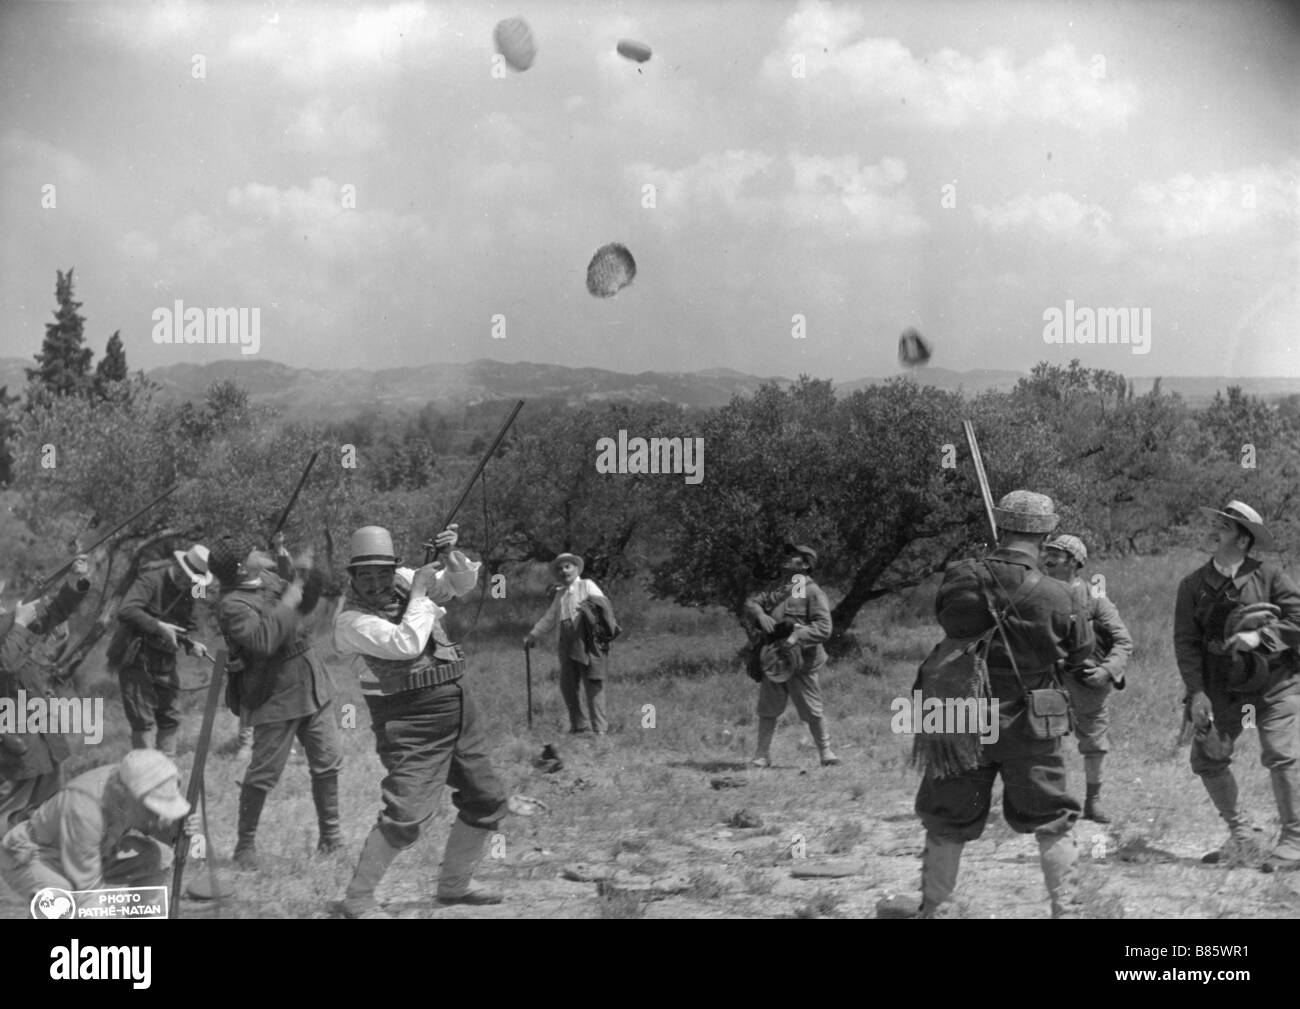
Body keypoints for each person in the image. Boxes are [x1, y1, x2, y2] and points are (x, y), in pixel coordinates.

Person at [912, 491, 1092, 919]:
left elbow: (947, 620)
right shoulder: (1059, 594)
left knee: (945, 815)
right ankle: (1066, 911)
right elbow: (1082, 655)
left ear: (1000, 526)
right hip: (1026, 717)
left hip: (957, 711)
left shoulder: (959, 576)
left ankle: (932, 909)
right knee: (1051, 813)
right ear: (1047, 534)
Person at [334, 525, 509, 918]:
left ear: (393, 566)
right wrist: (419, 593)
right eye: (366, 574)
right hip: (407, 718)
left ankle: (455, 885)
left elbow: (460, 585)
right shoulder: (349, 622)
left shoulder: (408, 579)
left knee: (486, 798)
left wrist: (448, 556)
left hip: (457, 702)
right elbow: (406, 644)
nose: (377, 582)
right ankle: (357, 898)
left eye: (383, 571)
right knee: (406, 813)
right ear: (353, 576)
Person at [1173, 500, 1300, 872]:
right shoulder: (1192, 584)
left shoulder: (1270, 576)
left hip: (1275, 682)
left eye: (1223, 527)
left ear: (1244, 541)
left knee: (1281, 754)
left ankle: (1294, 840)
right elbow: (1186, 643)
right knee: (1207, 757)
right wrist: (1196, 691)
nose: (1214, 531)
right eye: (1214, 523)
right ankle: (1241, 835)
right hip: (1222, 689)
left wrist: (1260, 636)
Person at [209, 533, 342, 868]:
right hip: (273, 691)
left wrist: (305, 575)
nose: (258, 549)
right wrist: (290, 595)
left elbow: (306, 605)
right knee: (264, 772)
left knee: (327, 760)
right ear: (241, 566)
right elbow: (263, 640)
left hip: (310, 680)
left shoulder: (267, 577)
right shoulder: (232, 604)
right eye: (250, 550)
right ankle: (245, 847)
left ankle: (332, 839)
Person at [0, 749, 194, 902]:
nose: (156, 812)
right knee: (59, 900)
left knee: (158, 857)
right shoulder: (84, 807)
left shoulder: (136, 786)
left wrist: (179, 830)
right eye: (152, 805)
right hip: (36, 855)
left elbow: (156, 825)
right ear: (129, 794)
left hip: (95, 850)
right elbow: (88, 891)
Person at [1042, 534, 1134, 823]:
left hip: (1087, 681)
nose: (1047, 559)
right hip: (1048, 680)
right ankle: (1049, 800)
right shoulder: (1037, 592)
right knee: (1045, 738)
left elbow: (1123, 641)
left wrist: (1106, 671)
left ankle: (1092, 802)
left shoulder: (1094, 597)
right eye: (1047, 553)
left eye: (1055, 555)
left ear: (1074, 562)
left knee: (1094, 743)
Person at [0, 556, 94, 830]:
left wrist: (76, 580)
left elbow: (54, 613)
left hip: (38, 727)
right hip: (12, 733)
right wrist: (19, 624)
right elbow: (6, 664)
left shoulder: (8, 620)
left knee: (49, 804)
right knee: (12, 805)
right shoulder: (13, 622)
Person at [109, 544, 212, 756]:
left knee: (171, 715)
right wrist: (158, 626)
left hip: (165, 660)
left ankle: (167, 769)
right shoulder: (150, 580)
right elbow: (126, 610)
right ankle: (146, 772)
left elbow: (190, 625)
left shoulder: (194, 588)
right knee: (142, 718)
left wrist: (191, 644)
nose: (193, 583)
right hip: (138, 657)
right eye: (190, 577)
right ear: (180, 567)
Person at [744, 543, 838, 768]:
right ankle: (762, 755)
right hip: (775, 658)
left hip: (801, 661)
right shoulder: (778, 588)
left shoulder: (813, 592)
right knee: (768, 708)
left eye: (794, 556)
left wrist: (797, 637)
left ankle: (826, 752)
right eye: (786, 554)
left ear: (805, 565)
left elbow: (824, 628)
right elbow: (751, 602)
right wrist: (759, 614)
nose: (787, 558)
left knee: (812, 710)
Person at [523, 553, 619, 736]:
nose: (563, 571)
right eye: (559, 569)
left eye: (567, 567)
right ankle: (579, 726)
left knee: (593, 684)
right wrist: (532, 635)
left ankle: (600, 731)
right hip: (565, 643)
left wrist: (595, 624)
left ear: (576, 568)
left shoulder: (586, 585)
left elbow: (604, 608)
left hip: (588, 642)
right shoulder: (560, 594)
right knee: (568, 686)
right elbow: (549, 618)